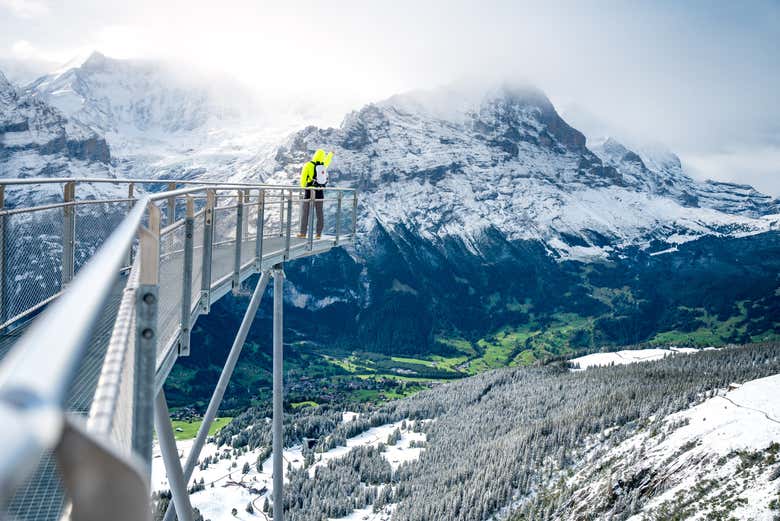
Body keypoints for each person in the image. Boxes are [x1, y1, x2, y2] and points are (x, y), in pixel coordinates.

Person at [298, 149, 333, 239]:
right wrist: (331, 154)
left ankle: (302, 233)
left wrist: (304, 186)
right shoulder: (323, 165)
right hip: (320, 191)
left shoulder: (308, 165)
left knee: (305, 213)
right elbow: (327, 160)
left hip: (309, 191)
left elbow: (303, 179)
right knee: (319, 213)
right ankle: (318, 234)